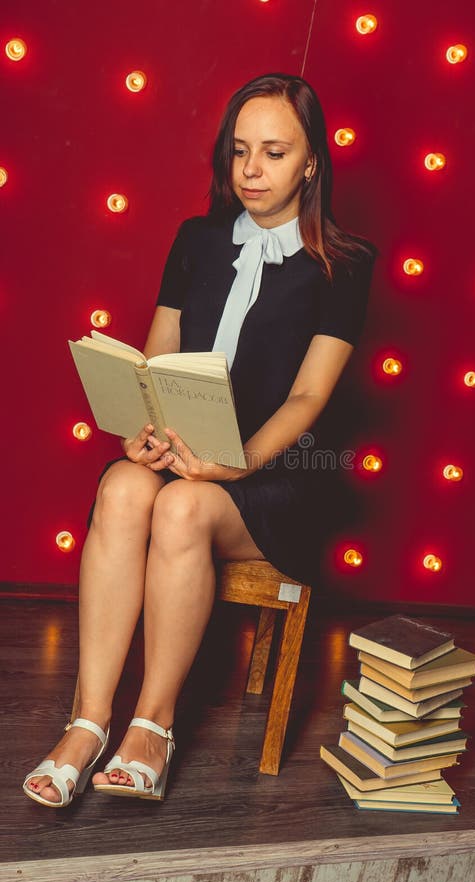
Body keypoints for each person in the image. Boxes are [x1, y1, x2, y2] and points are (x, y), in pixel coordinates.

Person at [22, 73, 377, 807]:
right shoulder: (197, 238)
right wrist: (143, 436)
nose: (251, 170)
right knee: (123, 487)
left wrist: (233, 463)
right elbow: (157, 356)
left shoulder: (345, 263)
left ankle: (153, 724)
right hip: (186, 453)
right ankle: (88, 721)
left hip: (276, 473)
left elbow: (310, 396)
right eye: (240, 151)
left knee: (182, 508)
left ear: (311, 162)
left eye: (274, 153)